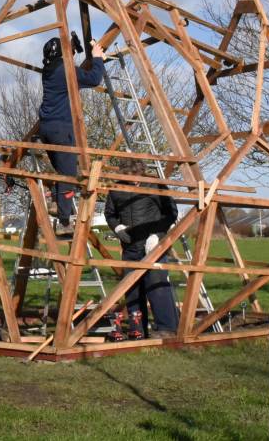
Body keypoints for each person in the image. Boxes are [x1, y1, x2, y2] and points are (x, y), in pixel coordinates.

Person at [104, 158, 181, 339]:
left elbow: (171, 214)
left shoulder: (156, 186)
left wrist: (158, 236)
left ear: (141, 172)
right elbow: (110, 214)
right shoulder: (116, 189)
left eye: (136, 176)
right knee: (132, 289)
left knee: (157, 286)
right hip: (130, 247)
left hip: (153, 246)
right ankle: (138, 329)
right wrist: (117, 228)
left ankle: (167, 328)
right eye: (129, 177)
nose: (133, 180)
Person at [38, 32, 105, 227]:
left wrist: (72, 50)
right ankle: (64, 217)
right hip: (61, 128)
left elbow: (71, 75)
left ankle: (57, 204)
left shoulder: (49, 69)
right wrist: (98, 58)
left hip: (46, 128)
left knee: (61, 170)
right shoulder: (66, 71)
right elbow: (93, 79)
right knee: (68, 173)